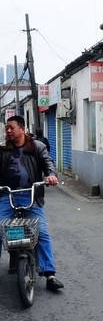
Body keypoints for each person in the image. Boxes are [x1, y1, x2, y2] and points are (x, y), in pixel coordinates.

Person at [0, 114, 61, 292]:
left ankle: (50, 274)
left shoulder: (37, 146)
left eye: (11, 128)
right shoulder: (3, 149)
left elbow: (48, 163)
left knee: (41, 232)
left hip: (31, 195)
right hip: (6, 196)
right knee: (0, 229)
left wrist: (51, 175)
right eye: (6, 128)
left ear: (22, 128)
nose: (8, 131)